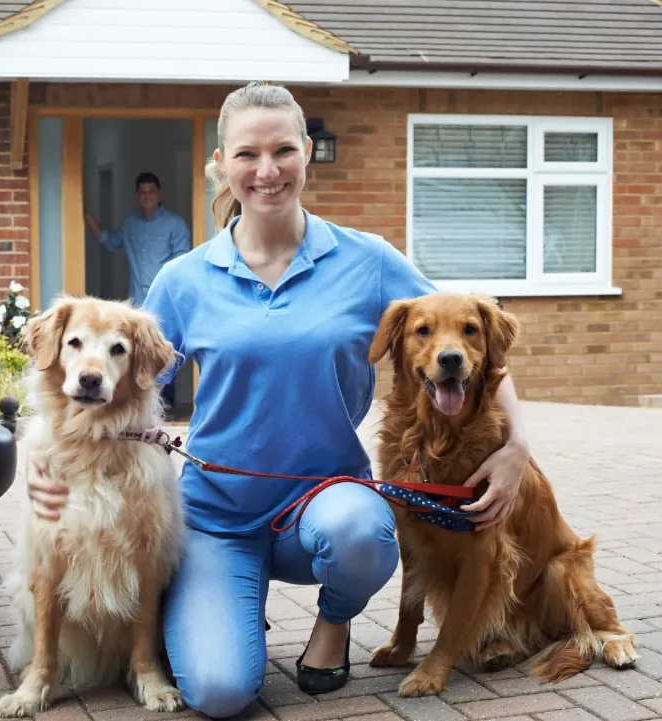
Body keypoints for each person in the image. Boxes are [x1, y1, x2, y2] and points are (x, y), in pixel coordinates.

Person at [27, 82, 531, 717]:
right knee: (217, 691)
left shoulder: (365, 261)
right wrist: (39, 455)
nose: (266, 171)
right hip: (214, 514)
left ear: (308, 153)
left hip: (325, 500)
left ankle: (334, 622)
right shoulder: (184, 279)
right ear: (222, 163)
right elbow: (109, 380)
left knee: (362, 533)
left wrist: (517, 447)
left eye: (283, 151)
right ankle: (232, 606)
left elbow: (472, 344)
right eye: (247, 155)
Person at [85, 171, 191, 413]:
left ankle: (167, 408)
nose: (147, 196)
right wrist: (86, 216)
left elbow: (182, 262)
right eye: (142, 192)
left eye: (151, 191)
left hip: (166, 301)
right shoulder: (130, 224)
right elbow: (109, 241)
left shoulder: (175, 225)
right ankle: (139, 408)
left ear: (159, 192)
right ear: (137, 195)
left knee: (163, 352)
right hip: (137, 304)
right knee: (137, 355)